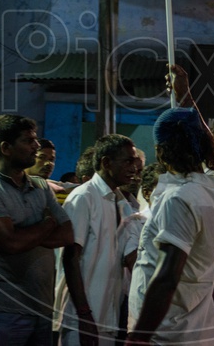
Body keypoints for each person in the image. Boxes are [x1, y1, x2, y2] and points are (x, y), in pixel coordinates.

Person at [126, 107, 214, 345]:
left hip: (166, 332)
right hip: (198, 329)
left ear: (161, 151)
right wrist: (187, 98)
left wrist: (139, 336)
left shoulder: (179, 198)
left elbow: (167, 277)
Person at [0, 114, 73, 346]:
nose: (36, 146)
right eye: (28, 141)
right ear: (6, 148)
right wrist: (47, 224)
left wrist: (26, 234)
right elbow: (11, 244)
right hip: (6, 310)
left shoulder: (39, 185)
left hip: (43, 306)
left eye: (35, 140)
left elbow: (67, 234)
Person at [54, 134, 139, 346]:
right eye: (128, 161)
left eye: (135, 161)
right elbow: (70, 258)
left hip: (107, 316)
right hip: (82, 316)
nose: (134, 168)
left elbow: (130, 257)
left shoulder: (121, 202)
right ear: (106, 163)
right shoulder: (84, 197)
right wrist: (84, 314)